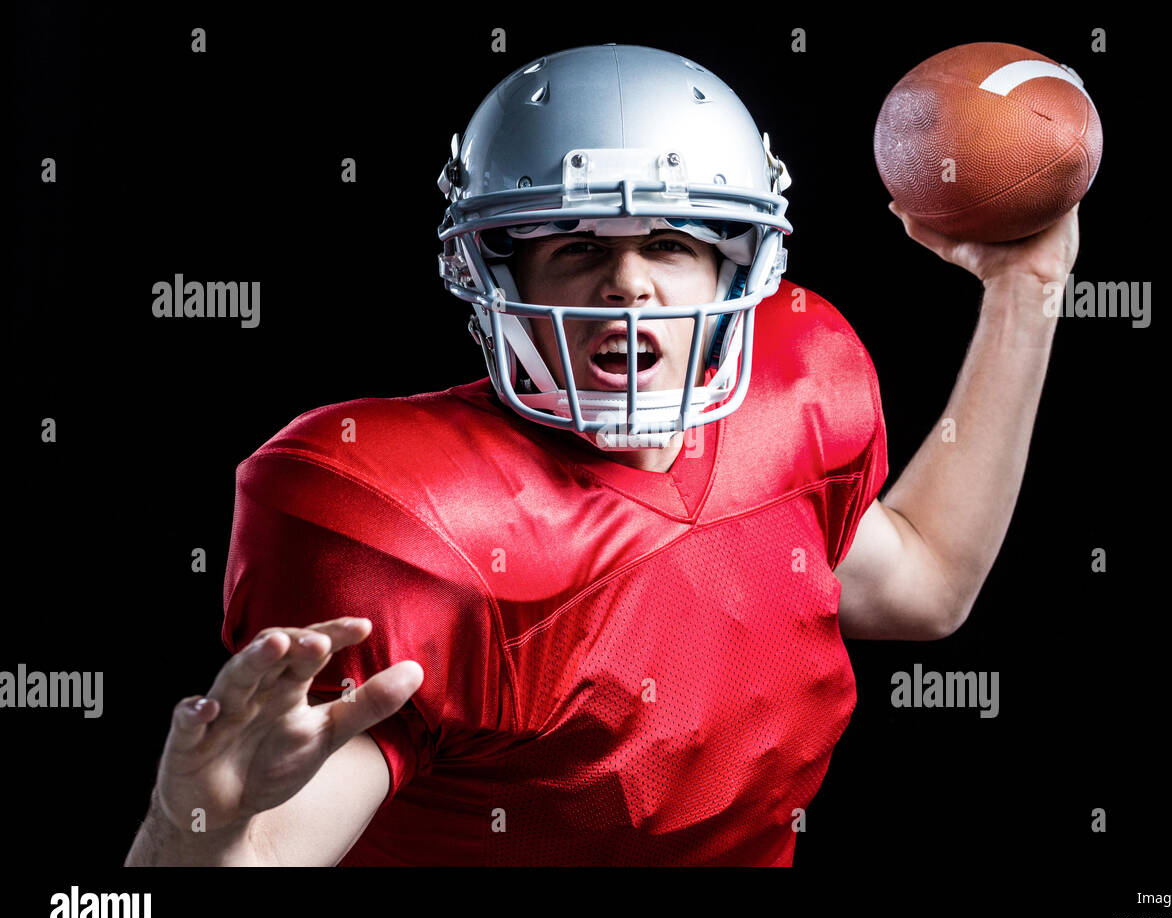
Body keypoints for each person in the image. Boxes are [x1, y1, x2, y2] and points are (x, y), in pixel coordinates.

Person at [126, 44, 1078, 866]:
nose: (628, 285)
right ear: (498, 273)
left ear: (736, 266)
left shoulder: (796, 392)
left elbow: (924, 588)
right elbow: (264, 849)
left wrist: (1026, 289)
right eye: (575, 245)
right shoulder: (417, 518)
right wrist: (189, 823)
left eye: (669, 242)